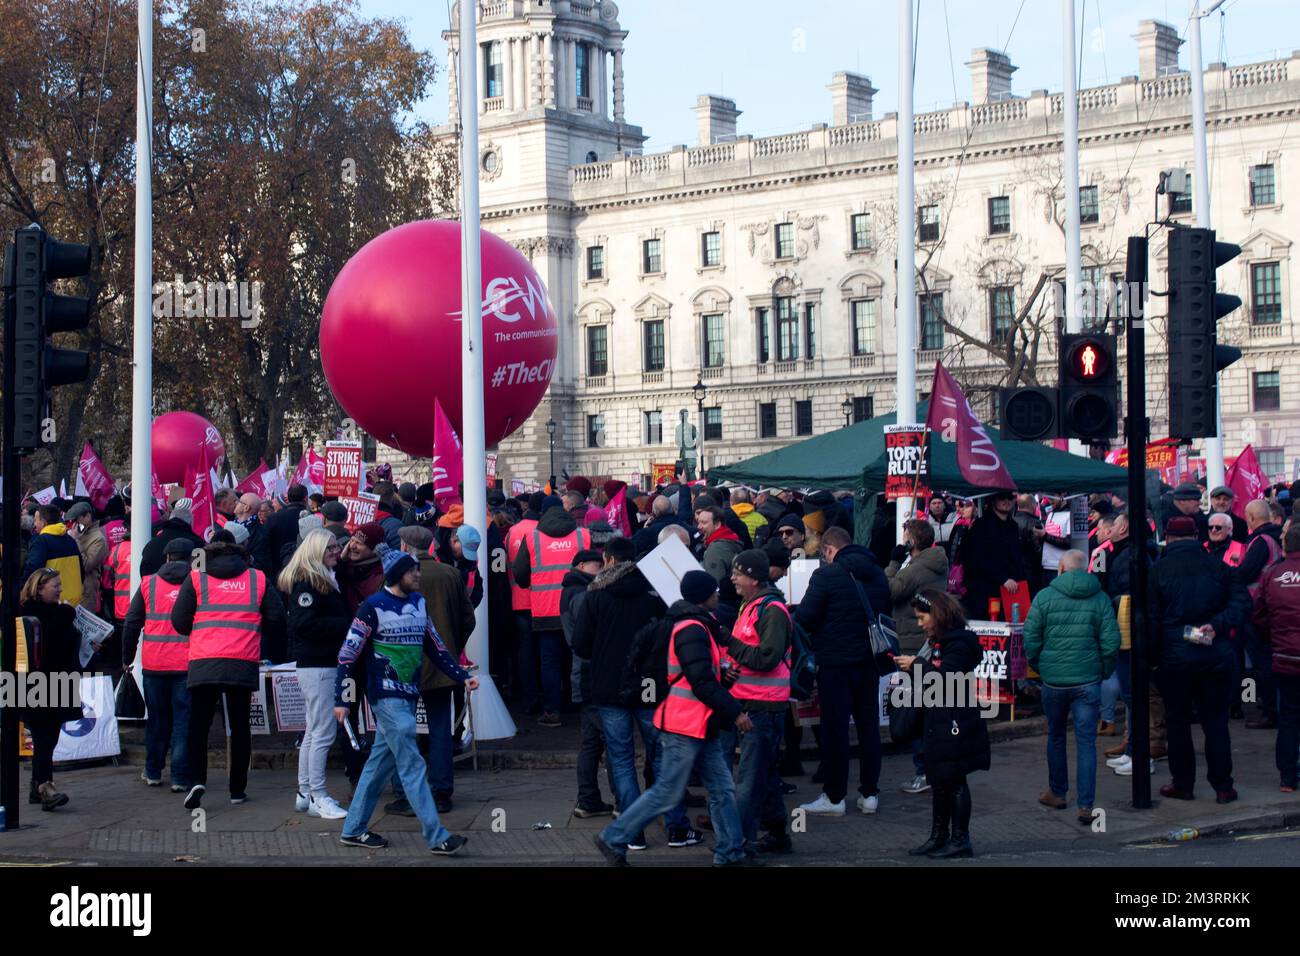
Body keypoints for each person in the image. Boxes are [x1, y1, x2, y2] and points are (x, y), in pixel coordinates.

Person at [594, 570, 750, 867]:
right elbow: (700, 682)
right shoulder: (692, 629)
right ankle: (613, 837)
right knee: (668, 792)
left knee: (722, 789)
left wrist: (724, 679)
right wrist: (735, 711)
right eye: (714, 591)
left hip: (699, 724)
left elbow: (702, 678)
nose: (719, 594)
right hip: (685, 725)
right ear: (703, 596)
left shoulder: (699, 626)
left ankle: (731, 853)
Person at [334, 545, 479, 855]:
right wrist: (341, 699)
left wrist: (462, 676)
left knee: (377, 766)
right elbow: (348, 655)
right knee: (413, 766)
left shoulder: (419, 603)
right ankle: (437, 835)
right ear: (399, 574)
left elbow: (436, 648)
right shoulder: (371, 607)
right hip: (386, 699)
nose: (418, 573)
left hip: (406, 698)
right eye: (413, 570)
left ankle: (353, 829)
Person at [572, 537, 695, 848]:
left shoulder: (595, 598)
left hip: (608, 687)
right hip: (649, 685)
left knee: (621, 758)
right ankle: (677, 827)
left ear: (610, 560)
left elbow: (581, 645)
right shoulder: (652, 596)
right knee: (662, 755)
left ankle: (632, 831)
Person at [171, 528, 288, 809]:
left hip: (203, 661)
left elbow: (179, 621)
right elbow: (277, 619)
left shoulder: (196, 578)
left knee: (198, 725)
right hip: (242, 661)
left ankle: (197, 779)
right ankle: (237, 789)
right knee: (239, 726)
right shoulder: (256, 578)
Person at [1148, 516, 1252, 803]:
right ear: (1197, 536)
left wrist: (1154, 661)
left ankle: (1183, 784)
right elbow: (1243, 603)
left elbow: (1151, 622)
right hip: (1214, 657)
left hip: (1174, 660)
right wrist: (1217, 624)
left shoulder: (1157, 572)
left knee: (1178, 723)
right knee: (1216, 723)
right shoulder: (1219, 568)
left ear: (1167, 538)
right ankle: (1223, 786)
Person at [795, 526, 889, 817]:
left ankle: (834, 797)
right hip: (869, 661)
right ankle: (870, 794)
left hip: (835, 664)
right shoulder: (877, 573)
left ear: (828, 550)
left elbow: (805, 618)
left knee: (835, 730)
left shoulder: (825, 575)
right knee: (869, 728)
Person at [1023, 550, 1121, 825]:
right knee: (1086, 742)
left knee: (1055, 736)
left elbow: (1030, 638)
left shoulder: (1044, 597)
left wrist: (1041, 666)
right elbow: (1111, 642)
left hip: (1053, 682)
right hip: (1088, 681)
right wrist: (1101, 671)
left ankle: (1057, 791)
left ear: (1061, 570)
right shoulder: (1100, 598)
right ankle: (1086, 805)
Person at [894, 590, 990, 858]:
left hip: (955, 720)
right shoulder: (941, 642)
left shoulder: (958, 643)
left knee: (955, 779)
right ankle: (939, 837)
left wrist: (916, 665)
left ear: (937, 614)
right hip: (941, 719)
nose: (920, 623)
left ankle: (960, 840)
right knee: (939, 779)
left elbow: (946, 680)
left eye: (922, 617)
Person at [390, 525, 476, 815]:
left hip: (404, 666)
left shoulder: (396, 576)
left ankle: (405, 791)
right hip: (441, 666)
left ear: (404, 546)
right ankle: (441, 792)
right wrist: (451, 647)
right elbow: (468, 619)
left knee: (403, 731)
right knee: (440, 730)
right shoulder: (450, 574)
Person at [725, 549, 793, 854]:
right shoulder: (750, 605)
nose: (732, 579)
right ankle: (778, 836)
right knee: (764, 774)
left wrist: (731, 644)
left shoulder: (772, 611)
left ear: (753, 577)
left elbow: (767, 658)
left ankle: (739, 844)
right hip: (752, 702)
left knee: (749, 781)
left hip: (764, 706)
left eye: (737, 573)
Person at [280, 529, 351, 820]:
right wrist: (345, 624)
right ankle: (318, 795)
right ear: (316, 551)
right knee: (322, 732)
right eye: (331, 548)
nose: (337, 551)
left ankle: (305, 792)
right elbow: (304, 625)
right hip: (319, 665)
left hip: (318, 663)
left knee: (313, 731)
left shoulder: (319, 579)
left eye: (337, 547)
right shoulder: (309, 585)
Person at [121, 538, 195, 794]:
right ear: (190, 559)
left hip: (154, 664)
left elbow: (132, 623)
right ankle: (180, 776)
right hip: (187, 664)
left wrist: (127, 657)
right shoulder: (197, 583)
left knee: (157, 720)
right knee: (183, 721)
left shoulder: (148, 583)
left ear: (166, 558)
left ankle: (153, 771)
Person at [513, 497, 592, 727]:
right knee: (575, 658)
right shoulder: (582, 535)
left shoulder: (533, 538)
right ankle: (575, 703)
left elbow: (520, 575)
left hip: (545, 609)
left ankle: (552, 710)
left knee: (549, 662)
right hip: (577, 609)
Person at [885, 518, 949, 794]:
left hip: (914, 644)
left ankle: (924, 771)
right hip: (924, 641)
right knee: (926, 709)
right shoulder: (935, 563)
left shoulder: (917, 569)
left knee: (915, 711)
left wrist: (893, 563)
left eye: (905, 535)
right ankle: (932, 768)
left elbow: (888, 590)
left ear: (911, 541)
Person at [18, 569, 83, 810]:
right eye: (55, 585)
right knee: (44, 738)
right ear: (39, 588)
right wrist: (67, 611)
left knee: (50, 738)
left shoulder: (57, 612)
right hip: (38, 683)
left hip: (58, 681)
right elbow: (50, 639)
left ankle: (38, 786)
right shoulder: (31, 612)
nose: (60, 589)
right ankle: (45, 787)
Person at [561, 547, 615, 818]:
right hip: (591, 674)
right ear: (582, 566)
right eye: (597, 565)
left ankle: (588, 799)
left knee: (592, 742)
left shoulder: (572, 590)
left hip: (583, 674)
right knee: (612, 739)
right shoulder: (582, 595)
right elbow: (591, 634)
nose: (602, 569)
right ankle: (622, 800)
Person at [1252, 523, 1300, 791]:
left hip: (1284, 656)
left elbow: (1258, 615)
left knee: (1289, 718)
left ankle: (1288, 779)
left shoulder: (1271, 574)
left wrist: (1272, 639)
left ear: (1285, 546)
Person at [1239, 499, 1286, 731]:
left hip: (1256, 608)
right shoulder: (1278, 538)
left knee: (1260, 663)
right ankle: (1266, 705)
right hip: (1273, 607)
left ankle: (1267, 710)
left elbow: (1246, 573)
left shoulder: (1259, 541)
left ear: (1251, 518)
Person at [955, 491, 1027, 621]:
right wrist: (1003, 578)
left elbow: (1017, 557)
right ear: (993, 501)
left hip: (1011, 591)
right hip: (984, 592)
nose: (1007, 501)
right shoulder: (981, 526)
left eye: (1010, 497)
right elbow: (976, 559)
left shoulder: (1013, 526)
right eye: (1002, 497)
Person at [506, 492, 542, 708]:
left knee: (525, 650)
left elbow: (504, 563)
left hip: (519, 600)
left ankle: (528, 697)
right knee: (546, 652)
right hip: (545, 601)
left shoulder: (513, 531)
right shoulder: (543, 531)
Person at [22, 505, 84, 607]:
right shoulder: (70, 540)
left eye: (36, 520)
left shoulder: (41, 541)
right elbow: (82, 571)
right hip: (74, 601)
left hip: (54, 601)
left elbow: (32, 570)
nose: (34, 524)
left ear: (43, 522)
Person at [139, 500, 205, 576]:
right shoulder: (198, 545)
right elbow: (200, 577)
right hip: (187, 586)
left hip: (153, 586)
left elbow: (144, 573)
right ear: (190, 522)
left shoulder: (151, 544)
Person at [65, 502, 108, 614]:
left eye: (76, 520)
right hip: (74, 588)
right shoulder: (80, 533)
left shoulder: (98, 539)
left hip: (87, 590)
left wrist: (75, 542)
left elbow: (86, 565)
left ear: (88, 517)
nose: (74, 524)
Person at [265, 483, 309, 578]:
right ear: (305, 499)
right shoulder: (313, 519)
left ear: (288, 500)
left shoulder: (273, 518)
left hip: (279, 570)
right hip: (305, 571)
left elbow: (265, 545)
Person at [1013, 494, 1047, 595]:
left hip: (1014, 571)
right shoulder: (1035, 523)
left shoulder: (1010, 521)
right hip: (1032, 572)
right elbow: (1038, 550)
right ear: (1033, 506)